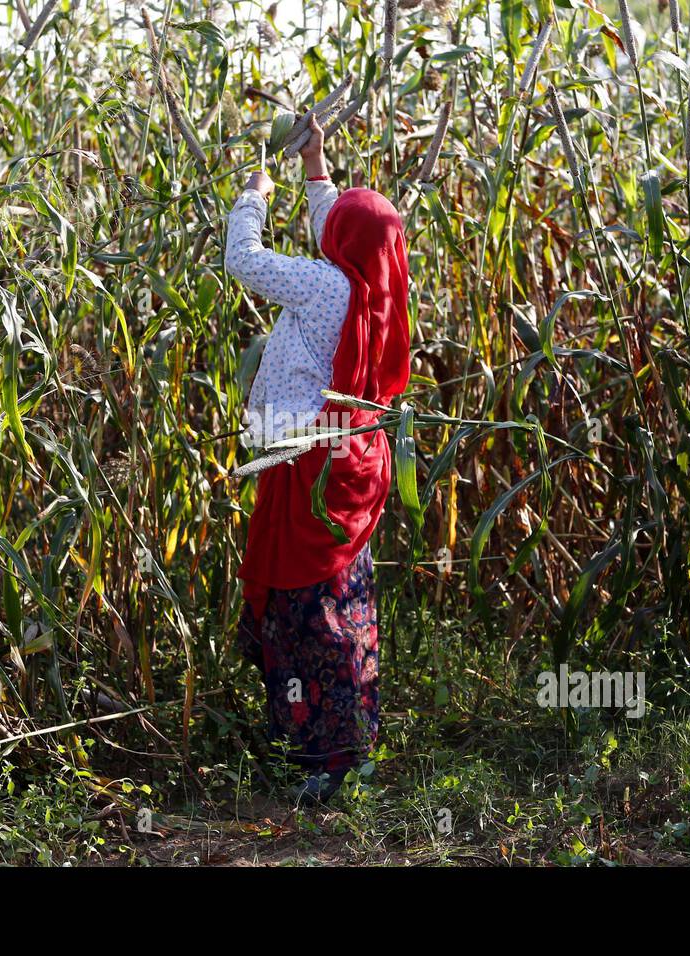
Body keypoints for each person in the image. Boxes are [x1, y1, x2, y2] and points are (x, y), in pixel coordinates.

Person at [224, 112, 411, 805]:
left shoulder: (327, 287)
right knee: (343, 605)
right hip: (347, 462)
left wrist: (254, 195)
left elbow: (243, 262)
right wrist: (317, 167)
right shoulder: (378, 285)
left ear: (342, 248)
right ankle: (349, 747)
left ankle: (318, 760)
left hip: (305, 468)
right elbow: (342, 232)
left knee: (305, 615)